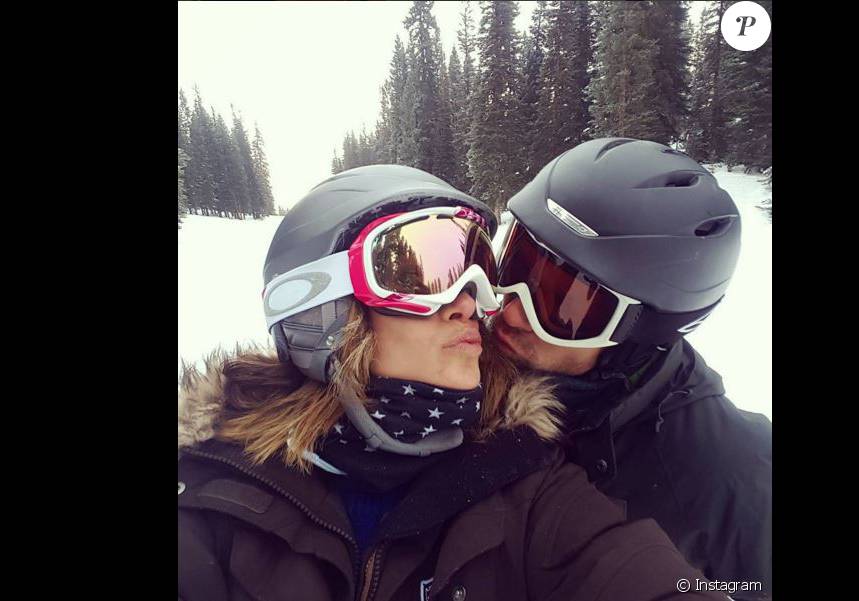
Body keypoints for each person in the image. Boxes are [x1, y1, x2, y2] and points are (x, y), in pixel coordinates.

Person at [178, 164, 728, 601]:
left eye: (477, 264)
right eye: (423, 273)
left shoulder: (527, 486)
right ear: (325, 310)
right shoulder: (211, 495)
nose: (473, 301)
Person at [490, 139, 772, 600]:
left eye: (563, 304)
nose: (512, 310)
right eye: (517, 262)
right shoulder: (459, 372)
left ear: (637, 335)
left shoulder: (735, 484)